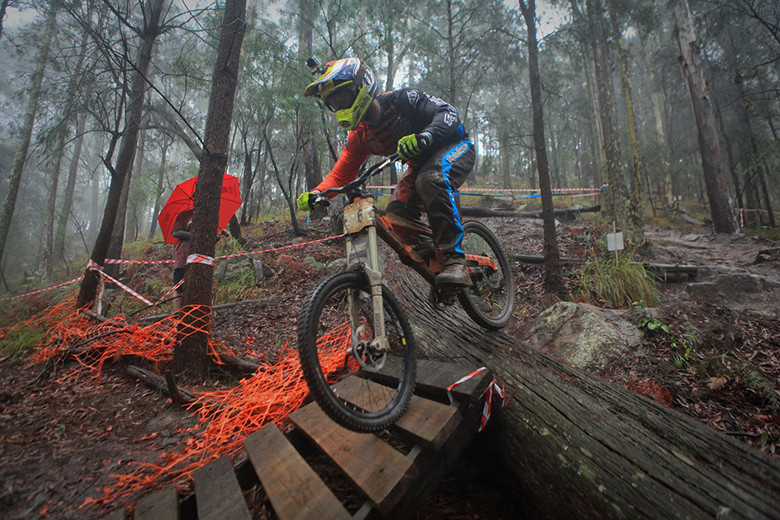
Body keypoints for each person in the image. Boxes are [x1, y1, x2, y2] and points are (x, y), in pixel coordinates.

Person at [296, 57, 475, 287]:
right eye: (335, 105)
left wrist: (426, 136)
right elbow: (341, 174)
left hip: (454, 146)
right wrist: (316, 193)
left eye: (343, 100)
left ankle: (454, 260)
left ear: (360, 87)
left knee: (430, 179)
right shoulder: (360, 135)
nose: (341, 109)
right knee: (396, 219)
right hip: (420, 164)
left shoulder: (402, 100)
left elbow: (447, 113)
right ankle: (437, 264)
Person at [170, 209, 193, 311]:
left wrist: (218, 237)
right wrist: (193, 235)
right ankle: (176, 319)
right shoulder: (185, 215)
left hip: (198, 260)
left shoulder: (207, 216)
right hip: (183, 258)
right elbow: (175, 232)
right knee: (179, 288)